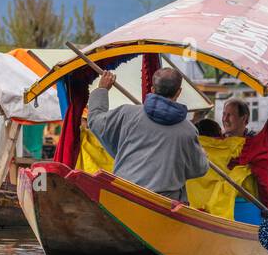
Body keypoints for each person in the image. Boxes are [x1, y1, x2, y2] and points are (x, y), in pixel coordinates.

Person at [88, 67, 208, 203]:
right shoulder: (189, 131)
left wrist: (102, 90)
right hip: (164, 204)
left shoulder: (127, 113)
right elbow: (198, 169)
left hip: (123, 195)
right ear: (178, 92)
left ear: (152, 89)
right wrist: (203, 156)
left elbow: (94, 120)